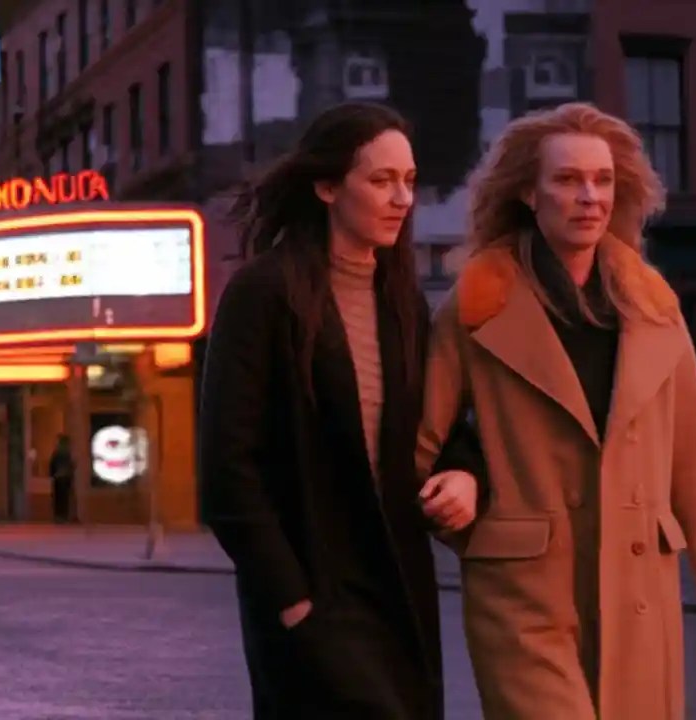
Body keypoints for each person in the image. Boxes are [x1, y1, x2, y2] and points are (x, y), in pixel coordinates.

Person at [416, 102, 696, 719]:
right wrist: (460, 486)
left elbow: (693, 452)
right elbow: (420, 444)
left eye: (602, 180)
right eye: (567, 180)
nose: (589, 196)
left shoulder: (654, 307)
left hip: (638, 585)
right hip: (524, 593)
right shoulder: (476, 307)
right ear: (527, 192)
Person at [199, 101, 480, 719]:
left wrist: (463, 473)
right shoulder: (264, 294)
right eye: (381, 180)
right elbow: (227, 472)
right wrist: (291, 599)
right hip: (312, 594)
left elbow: (440, 424)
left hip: (398, 588)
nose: (402, 198)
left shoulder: (402, 298)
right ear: (327, 186)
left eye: (409, 180)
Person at [48, 435, 74, 523]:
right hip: (64, 478)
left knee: (59, 498)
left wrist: (52, 475)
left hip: (59, 478)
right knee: (64, 498)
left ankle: (59, 516)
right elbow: (71, 466)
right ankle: (63, 516)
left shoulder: (58, 454)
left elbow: (52, 466)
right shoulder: (67, 454)